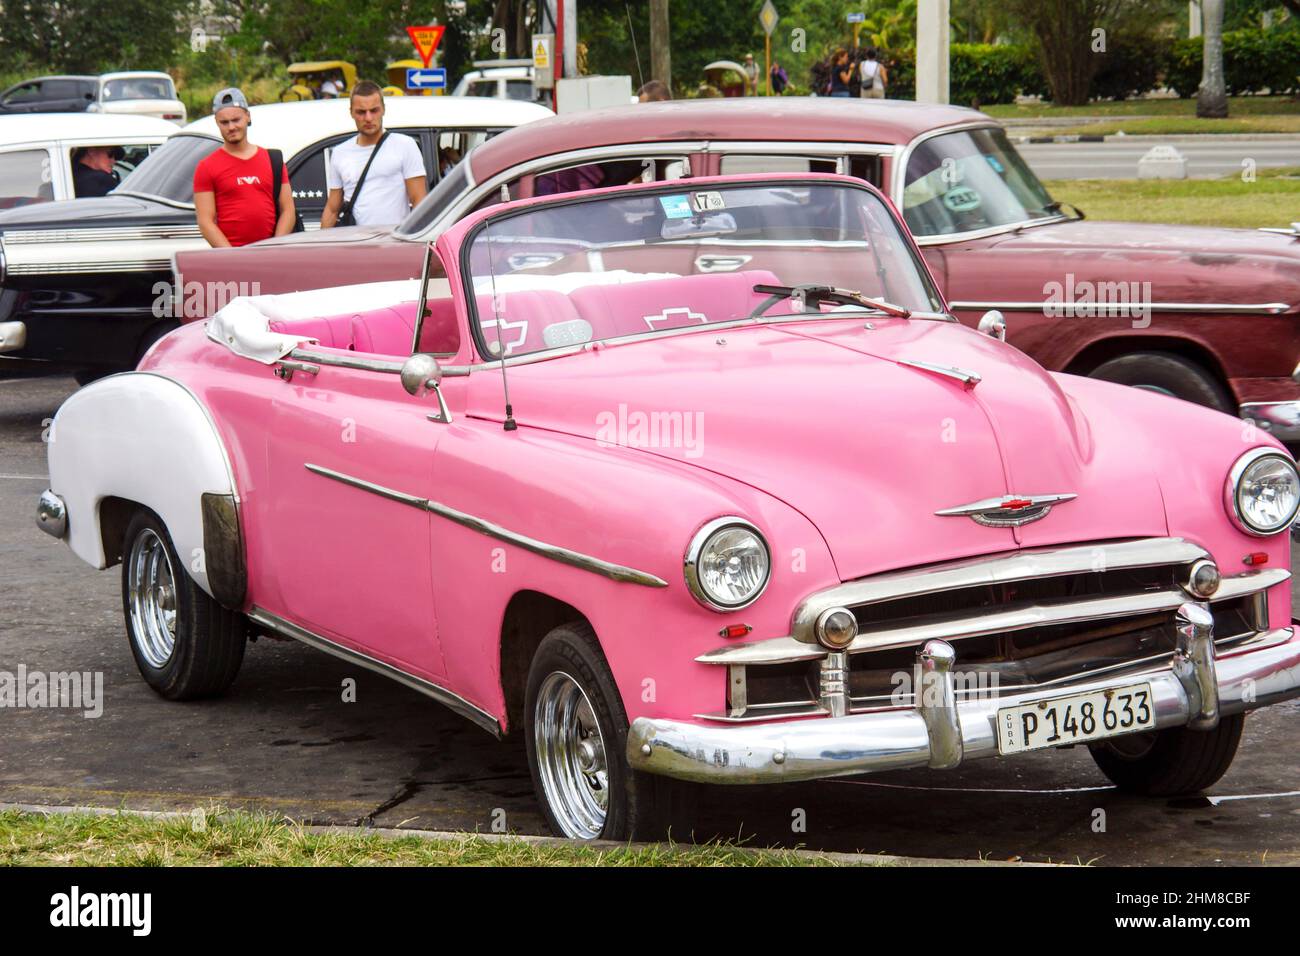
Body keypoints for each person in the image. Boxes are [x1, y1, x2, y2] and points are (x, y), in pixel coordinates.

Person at [194, 88, 296, 248]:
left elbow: (288, 210)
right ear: (216, 122)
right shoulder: (206, 167)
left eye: (236, 120)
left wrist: (275, 248)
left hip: (270, 255)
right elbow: (205, 221)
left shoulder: (272, 160)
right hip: (231, 260)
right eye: (224, 122)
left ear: (248, 116)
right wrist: (231, 257)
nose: (231, 127)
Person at [321, 80, 427, 228]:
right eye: (361, 112)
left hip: (395, 243)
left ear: (383, 109)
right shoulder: (340, 153)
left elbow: (419, 201)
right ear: (351, 112)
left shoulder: (405, 145)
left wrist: (416, 242)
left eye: (374, 110)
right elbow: (332, 209)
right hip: (354, 243)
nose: (368, 118)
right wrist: (322, 247)